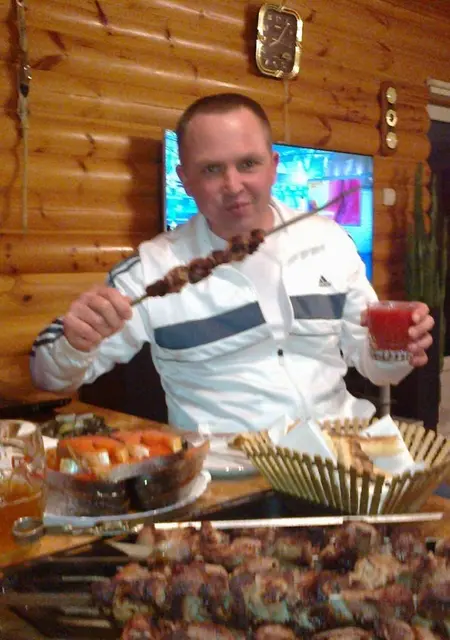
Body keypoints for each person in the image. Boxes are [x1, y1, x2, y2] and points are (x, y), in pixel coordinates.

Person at [30, 93, 434, 433]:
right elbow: (48, 376)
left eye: (248, 164)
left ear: (273, 166)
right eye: (211, 169)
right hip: (235, 475)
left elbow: (375, 367)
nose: (233, 185)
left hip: (345, 454)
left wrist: (399, 351)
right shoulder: (151, 269)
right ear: (185, 179)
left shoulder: (329, 241)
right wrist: (76, 342)